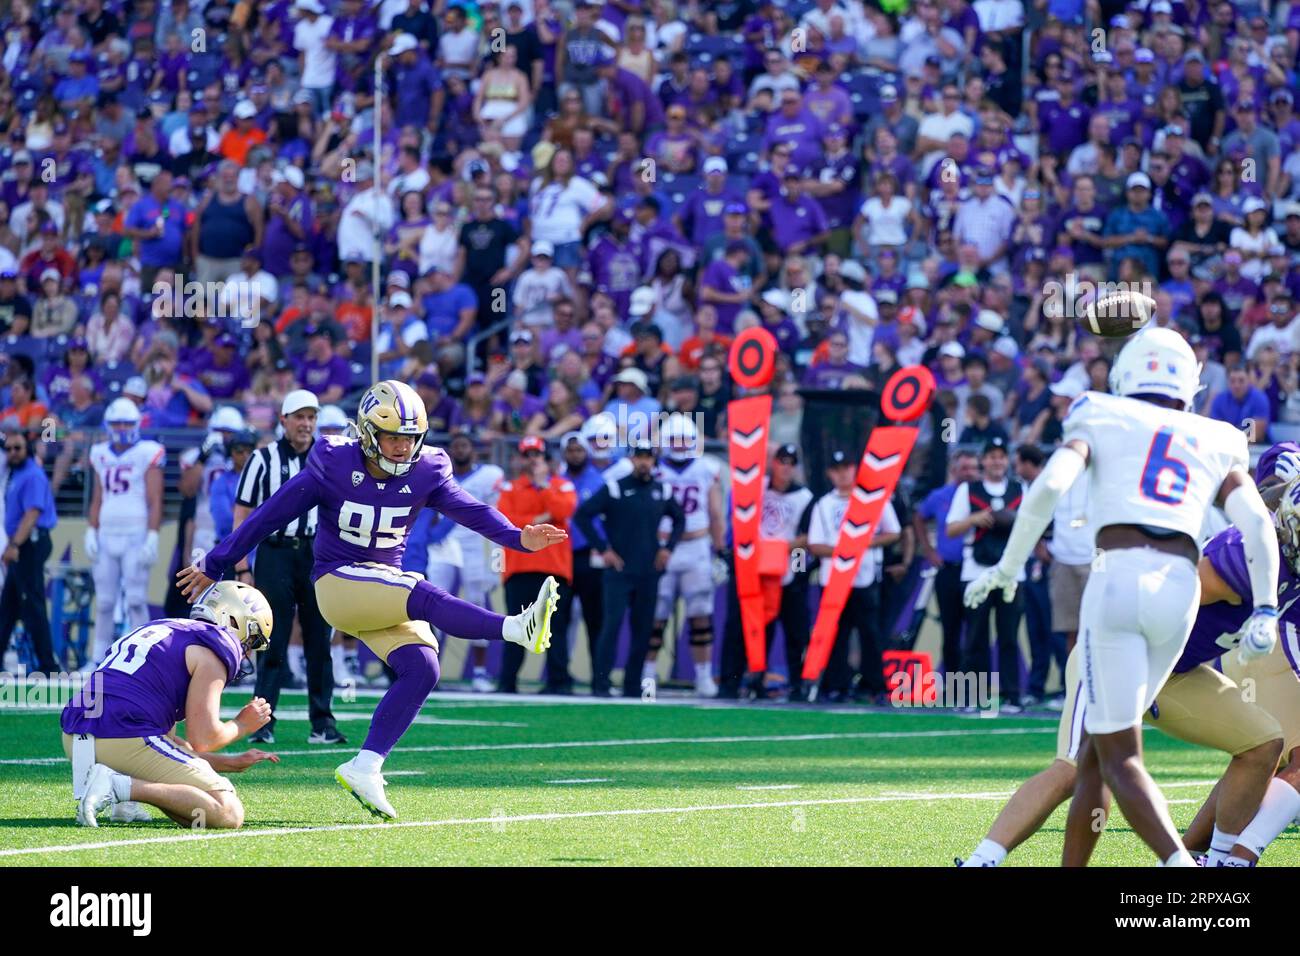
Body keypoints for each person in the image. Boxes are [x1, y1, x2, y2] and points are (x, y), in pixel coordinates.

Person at [179, 380, 568, 819]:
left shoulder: (428, 469)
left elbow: (471, 510)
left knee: (423, 666)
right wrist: (216, 561)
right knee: (421, 593)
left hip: (382, 585)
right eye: (393, 437)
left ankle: (366, 766)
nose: (403, 447)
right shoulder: (333, 461)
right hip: (338, 584)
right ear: (367, 432)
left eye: (411, 438)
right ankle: (515, 628)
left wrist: (517, 537)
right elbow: (269, 515)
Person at [962, 327, 1278, 867]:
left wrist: (1009, 565)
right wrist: (1268, 605)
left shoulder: (1099, 411)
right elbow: (1256, 523)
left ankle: (1182, 872)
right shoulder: (1220, 435)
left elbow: (1049, 486)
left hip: (1117, 576)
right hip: (1179, 590)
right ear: (1191, 382)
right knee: (1094, 757)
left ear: (1128, 373)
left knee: (1119, 756)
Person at [62, 581, 280, 829]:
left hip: (76, 737)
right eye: (251, 641)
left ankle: (124, 796)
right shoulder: (213, 647)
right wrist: (242, 724)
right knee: (228, 812)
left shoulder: (163, 628)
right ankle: (118, 786)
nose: (247, 652)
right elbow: (204, 738)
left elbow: (174, 745)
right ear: (234, 621)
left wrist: (229, 763)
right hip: (123, 736)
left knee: (174, 742)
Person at [230, 389, 341, 746]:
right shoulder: (262, 459)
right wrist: (241, 565)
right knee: (271, 640)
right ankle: (262, 722)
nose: (306, 424)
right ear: (283, 421)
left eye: (311, 417)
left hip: (316, 554)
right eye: (299, 417)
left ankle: (322, 724)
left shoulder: (328, 459)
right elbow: (243, 513)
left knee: (319, 642)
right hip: (275, 552)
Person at [607, 414, 725, 697]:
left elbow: (715, 511)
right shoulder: (650, 469)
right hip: (660, 548)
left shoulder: (707, 468)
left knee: (700, 614)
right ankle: (648, 674)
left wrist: (720, 550)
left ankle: (703, 675)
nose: (680, 444)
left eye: (685, 439)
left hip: (696, 545)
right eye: (674, 439)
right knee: (655, 616)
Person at [575, 439, 685, 697]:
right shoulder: (615, 488)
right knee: (610, 626)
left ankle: (632, 685)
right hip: (619, 571)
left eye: (648, 457)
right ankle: (601, 683)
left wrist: (668, 548)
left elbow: (680, 519)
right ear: (632, 459)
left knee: (643, 628)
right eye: (640, 457)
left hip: (648, 571)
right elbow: (582, 515)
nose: (644, 461)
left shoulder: (662, 490)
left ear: (654, 461)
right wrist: (604, 549)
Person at [808, 449, 900, 702]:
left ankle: (875, 686)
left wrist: (862, 545)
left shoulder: (873, 499)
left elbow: (893, 532)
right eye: (837, 469)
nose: (842, 474)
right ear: (830, 474)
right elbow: (815, 545)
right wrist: (845, 549)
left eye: (847, 468)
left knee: (870, 632)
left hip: (864, 577)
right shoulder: (823, 504)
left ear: (855, 469)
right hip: (833, 578)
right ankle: (837, 685)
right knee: (836, 634)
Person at [83, 399, 164, 670]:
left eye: (126, 423)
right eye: (116, 423)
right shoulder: (99, 453)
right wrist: (91, 529)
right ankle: (97, 658)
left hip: (135, 532)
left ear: (136, 424)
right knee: (105, 601)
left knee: (136, 598)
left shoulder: (147, 452)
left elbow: (155, 498)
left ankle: (143, 660)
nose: (120, 428)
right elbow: (97, 496)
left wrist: (152, 535)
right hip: (107, 533)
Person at [946, 437, 1025, 711]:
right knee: (975, 637)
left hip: (1011, 573)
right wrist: (974, 519)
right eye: (991, 456)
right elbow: (951, 529)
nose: (996, 461)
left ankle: (1012, 696)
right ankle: (972, 697)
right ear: (983, 461)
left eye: (1001, 456)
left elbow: (1033, 524)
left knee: (1009, 636)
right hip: (977, 571)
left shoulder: (1020, 488)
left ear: (1007, 460)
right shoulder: (968, 490)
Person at [423, 430, 504, 693]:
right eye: (455, 445)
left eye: (464, 445)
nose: (459, 450)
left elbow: (497, 515)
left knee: (477, 604)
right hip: (444, 544)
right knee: (434, 605)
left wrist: (496, 559)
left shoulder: (489, 475)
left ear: (474, 449)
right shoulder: (438, 473)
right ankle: (429, 672)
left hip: (475, 545)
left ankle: (480, 673)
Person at [496, 436, 578, 693]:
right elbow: (507, 520)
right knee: (515, 626)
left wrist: (543, 485)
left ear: (545, 458)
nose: (532, 460)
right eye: (527, 455)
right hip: (519, 568)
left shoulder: (561, 485)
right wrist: (541, 517)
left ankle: (559, 681)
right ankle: (507, 682)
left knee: (556, 628)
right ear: (520, 459)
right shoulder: (510, 487)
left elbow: (564, 511)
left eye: (537, 455)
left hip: (553, 569)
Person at [913, 450, 978, 678]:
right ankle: (953, 683)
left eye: (973, 468)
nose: (969, 473)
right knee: (950, 628)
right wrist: (929, 550)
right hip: (948, 568)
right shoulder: (940, 496)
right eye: (964, 468)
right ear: (954, 471)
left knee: (976, 629)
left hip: (975, 570)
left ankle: (976, 684)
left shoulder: (981, 494)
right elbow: (919, 518)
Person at [0, 431, 58, 674]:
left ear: (28, 449)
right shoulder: (16, 474)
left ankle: (48, 666)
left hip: (29, 544)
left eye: (18, 448)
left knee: (32, 605)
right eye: (9, 448)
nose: (13, 452)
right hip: (22, 544)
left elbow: (32, 513)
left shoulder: (32, 475)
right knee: (9, 607)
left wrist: (14, 546)